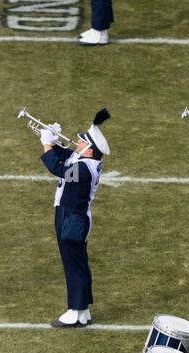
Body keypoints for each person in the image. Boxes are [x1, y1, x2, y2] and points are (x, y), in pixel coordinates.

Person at [39, 109, 111, 327]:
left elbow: (58, 168)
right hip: (72, 215)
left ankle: (75, 310)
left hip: (73, 218)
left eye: (80, 142)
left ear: (89, 151)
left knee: (73, 264)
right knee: (77, 263)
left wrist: (46, 144)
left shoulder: (83, 169)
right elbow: (67, 156)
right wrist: (52, 139)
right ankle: (82, 311)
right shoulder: (84, 161)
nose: (76, 143)